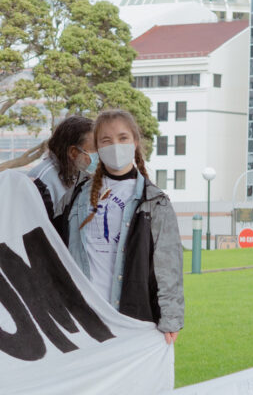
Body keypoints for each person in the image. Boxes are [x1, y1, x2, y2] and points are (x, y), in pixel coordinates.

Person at [58, 108, 184, 343]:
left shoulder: (155, 202)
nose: (115, 145)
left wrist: (171, 318)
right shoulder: (76, 197)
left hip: (131, 318)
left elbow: (168, 265)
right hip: (82, 317)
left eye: (123, 138)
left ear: (135, 142)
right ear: (97, 147)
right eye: (106, 140)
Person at [27, 114, 95, 222]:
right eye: (95, 150)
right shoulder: (42, 180)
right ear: (73, 153)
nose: (100, 155)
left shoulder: (79, 174)